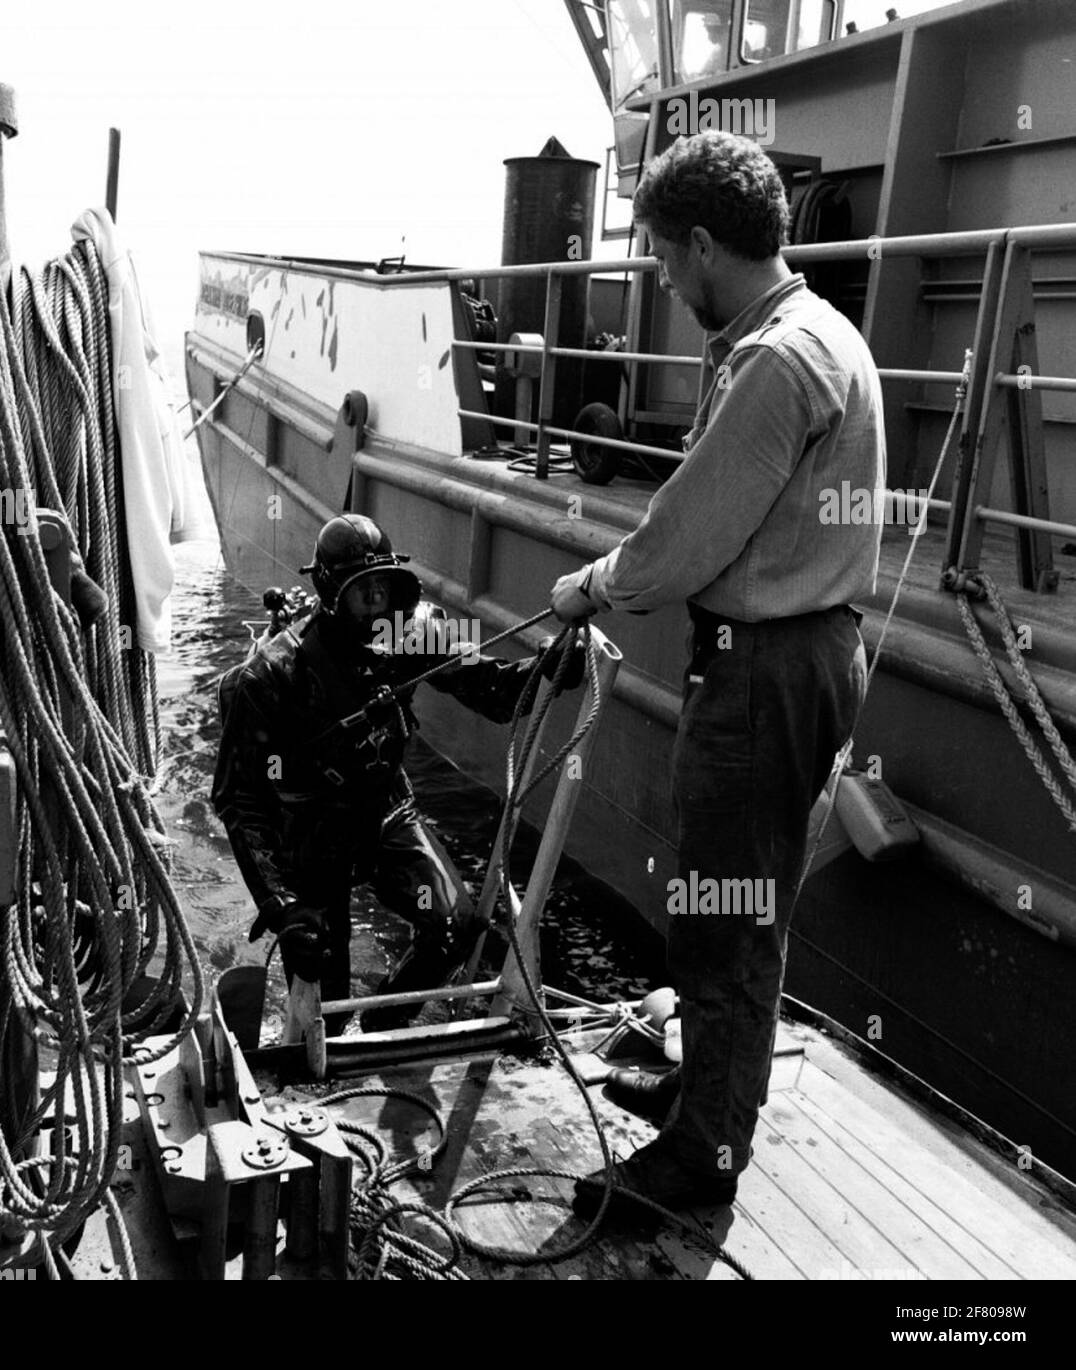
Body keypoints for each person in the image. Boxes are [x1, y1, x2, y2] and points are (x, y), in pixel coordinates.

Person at [551, 131, 881, 1216]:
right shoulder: (819, 331)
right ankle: (712, 1094)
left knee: (722, 913)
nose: (658, 277)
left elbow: (684, 537)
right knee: (747, 905)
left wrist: (591, 584)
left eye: (659, 256)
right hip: (808, 655)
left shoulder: (776, 361)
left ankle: (702, 1160)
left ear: (701, 244)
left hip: (764, 671)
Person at [213, 514, 583, 1033]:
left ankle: (384, 1025)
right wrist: (282, 903)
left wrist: (547, 671)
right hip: (310, 830)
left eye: (383, 592)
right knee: (319, 968)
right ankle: (323, 1038)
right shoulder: (274, 673)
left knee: (455, 925)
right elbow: (238, 798)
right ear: (330, 592)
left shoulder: (412, 636)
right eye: (361, 593)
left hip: (385, 811)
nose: (375, 608)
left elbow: (494, 692)